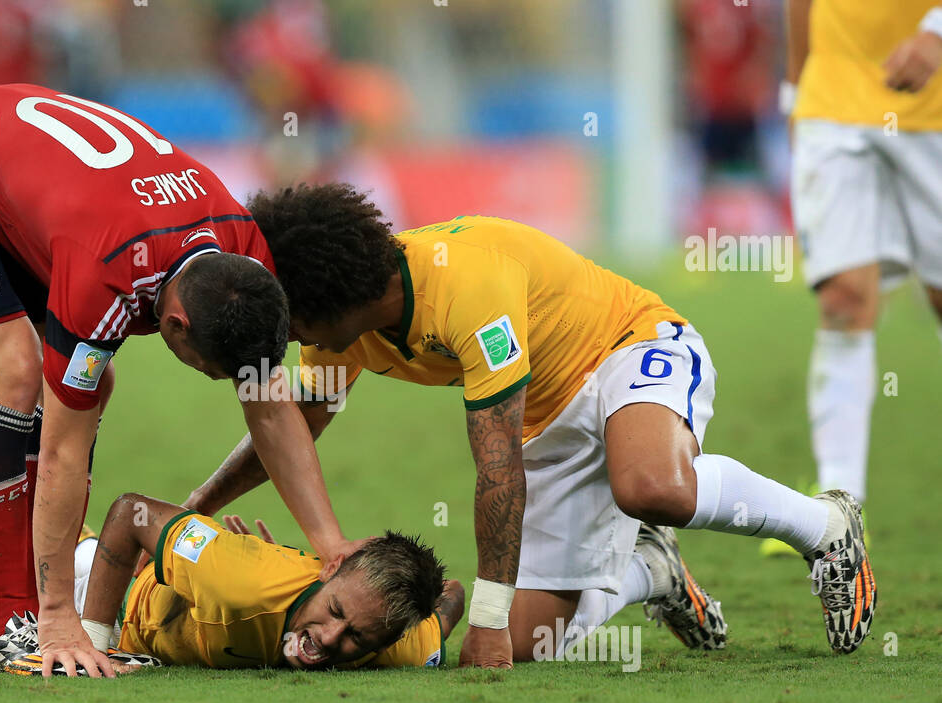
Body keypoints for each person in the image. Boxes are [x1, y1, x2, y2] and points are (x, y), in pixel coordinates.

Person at [185, 185, 875, 665]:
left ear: (335, 301)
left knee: (648, 488)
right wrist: (194, 512)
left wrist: (480, 613)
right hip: (544, 424)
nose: (289, 336)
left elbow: (496, 466)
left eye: (295, 320)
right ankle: (647, 572)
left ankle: (825, 527)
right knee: (523, 646)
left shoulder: (466, 289)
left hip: (626, 351)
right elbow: (287, 430)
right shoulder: (337, 333)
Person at [0, 85, 361, 678]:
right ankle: (11, 623)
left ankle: (24, 604)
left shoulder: (246, 255)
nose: (222, 382)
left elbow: (269, 409)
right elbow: (63, 449)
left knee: (93, 384)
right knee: (11, 375)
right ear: (173, 325)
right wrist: (64, 617)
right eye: (210, 371)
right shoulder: (105, 284)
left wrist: (331, 543)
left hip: (30, 188)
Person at [0, 502, 462, 673]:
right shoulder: (242, 578)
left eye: (356, 637)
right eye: (334, 613)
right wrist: (84, 636)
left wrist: (469, 617)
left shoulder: (390, 641)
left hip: (154, 632)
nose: (330, 641)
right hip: (106, 578)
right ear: (328, 568)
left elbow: (450, 603)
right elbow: (132, 512)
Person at [771, 1, 942, 553]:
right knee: (843, 299)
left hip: (931, 100)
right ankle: (841, 512)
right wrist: (797, 93)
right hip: (835, 97)